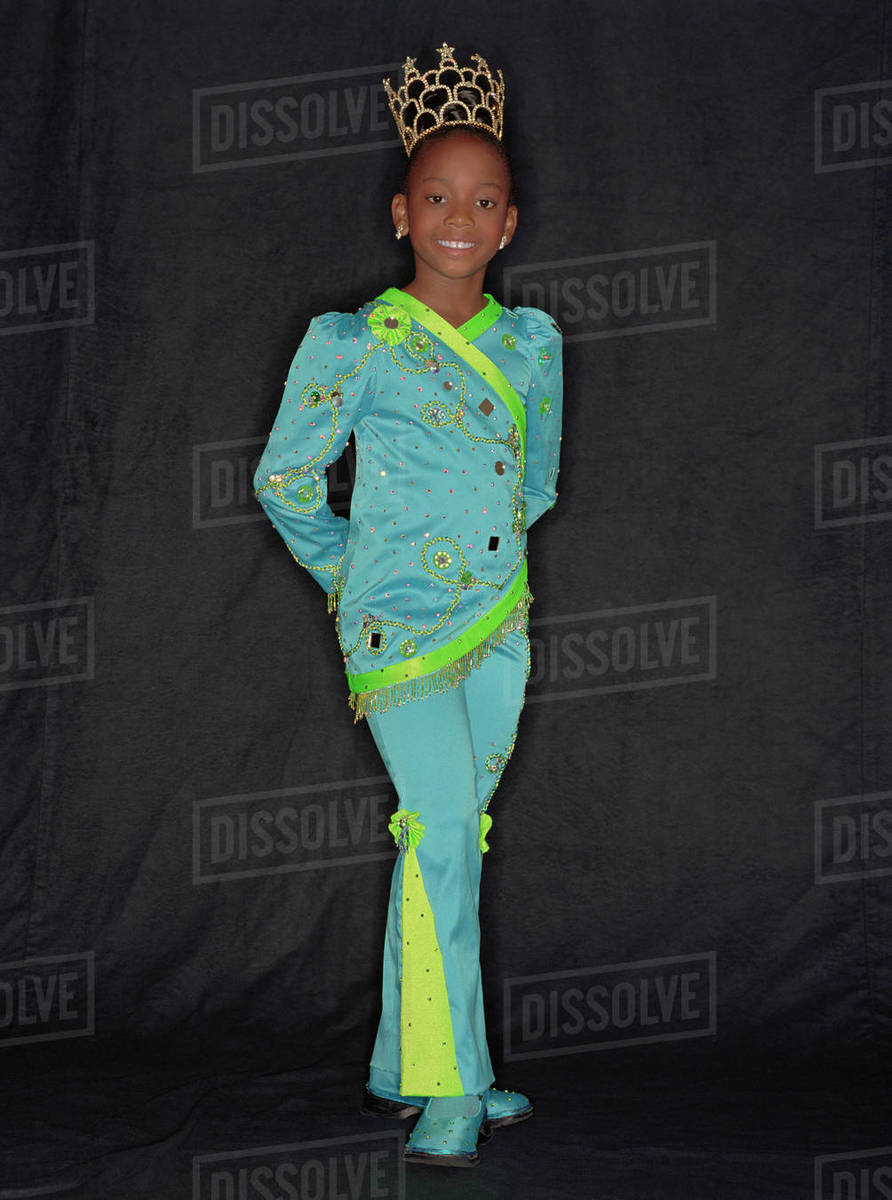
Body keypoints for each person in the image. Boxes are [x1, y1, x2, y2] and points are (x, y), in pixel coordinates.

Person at [253, 43, 563, 1168]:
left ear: (509, 223)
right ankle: (453, 1086)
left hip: (498, 627)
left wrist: (484, 575)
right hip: (395, 632)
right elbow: (284, 481)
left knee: (453, 839)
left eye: (483, 200)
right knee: (439, 838)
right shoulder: (360, 343)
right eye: (437, 196)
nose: (458, 216)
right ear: (401, 210)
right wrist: (360, 571)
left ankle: (422, 1062)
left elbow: (535, 485)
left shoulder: (531, 348)